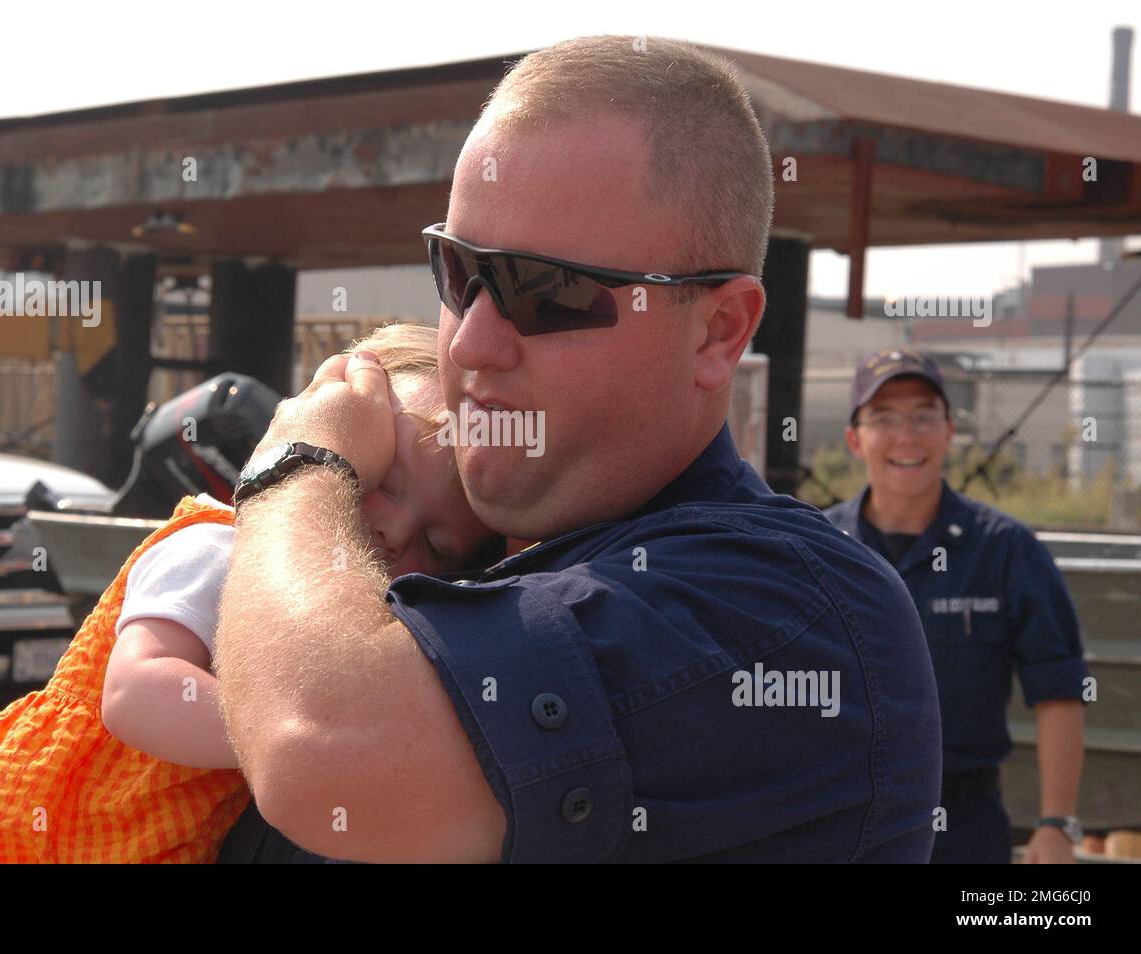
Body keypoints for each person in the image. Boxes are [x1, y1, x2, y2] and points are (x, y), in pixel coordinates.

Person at [213, 34, 941, 864]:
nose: (472, 343)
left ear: (719, 330)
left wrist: (299, 463)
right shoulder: (459, 556)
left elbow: (324, 753)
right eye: (458, 272)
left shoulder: (790, 609)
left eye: (546, 289)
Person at [0, 323, 500, 864]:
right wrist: (287, 731)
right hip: (50, 827)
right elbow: (136, 691)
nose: (396, 528)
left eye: (439, 545)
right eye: (385, 478)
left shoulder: (350, 614)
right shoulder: (218, 548)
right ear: (323, 434)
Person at [823, 348, 1088, 864]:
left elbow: (1059, 690)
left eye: (924, 417)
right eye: (885, 419)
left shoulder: (1006, 550)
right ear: (856, 439)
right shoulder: (820, 549)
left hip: (965, 828)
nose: (907, 436)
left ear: (949, 432)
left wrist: (1057, 824)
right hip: (840, 823)